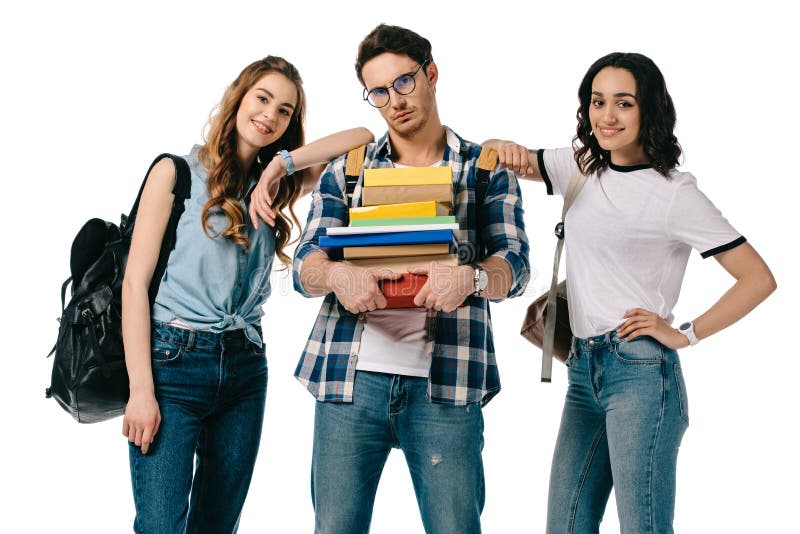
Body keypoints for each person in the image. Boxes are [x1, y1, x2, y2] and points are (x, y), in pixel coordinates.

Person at [483, 52, 776, 533]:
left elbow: (758, 278)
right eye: (598, 102)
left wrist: (685, 333)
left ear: (649, 111)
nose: (607, 116)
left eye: (624, 103)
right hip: (582, 369)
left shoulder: (674, 194)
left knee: (643, 528)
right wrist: (500, 145)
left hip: (640, 371)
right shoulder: (580, 166)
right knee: (566, 525)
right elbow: (506, 157)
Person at [291, 24, 530, 534]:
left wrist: (471, 279)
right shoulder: (347, 170)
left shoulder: (484, 170)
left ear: (431, 74)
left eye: (404, 82)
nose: (394, 101)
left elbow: (515, 264)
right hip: (348, 382)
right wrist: (336, 276)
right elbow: (304, 264)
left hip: (446, 386)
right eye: (379, 91)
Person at [120, 55, 373, 533]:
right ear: (239, 98)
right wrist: (140, 391)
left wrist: (282, 164)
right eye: (263, 99)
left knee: (218, 525)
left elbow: (363, 137)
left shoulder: (277, 184)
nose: (270, 116)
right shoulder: (175, 172)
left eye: (285, 111)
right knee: (158, 525)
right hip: (172, 364)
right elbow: (134, 285)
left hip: (243, 367)